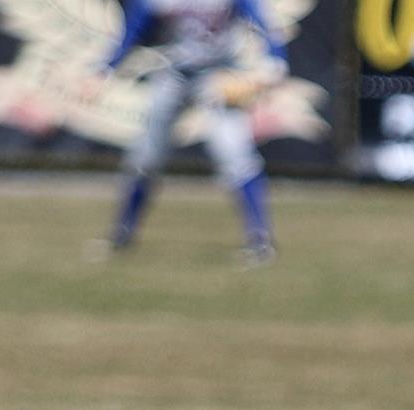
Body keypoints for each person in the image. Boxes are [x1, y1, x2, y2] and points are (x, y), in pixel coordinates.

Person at [90, 0, 287, 266]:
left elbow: (263, 22)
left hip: (219, 73)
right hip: (175, 73)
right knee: (145, 157)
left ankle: (260, 240)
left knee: (235, 154)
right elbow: (134, 30)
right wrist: (107, 68)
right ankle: (122, 233)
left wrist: (276, 61)